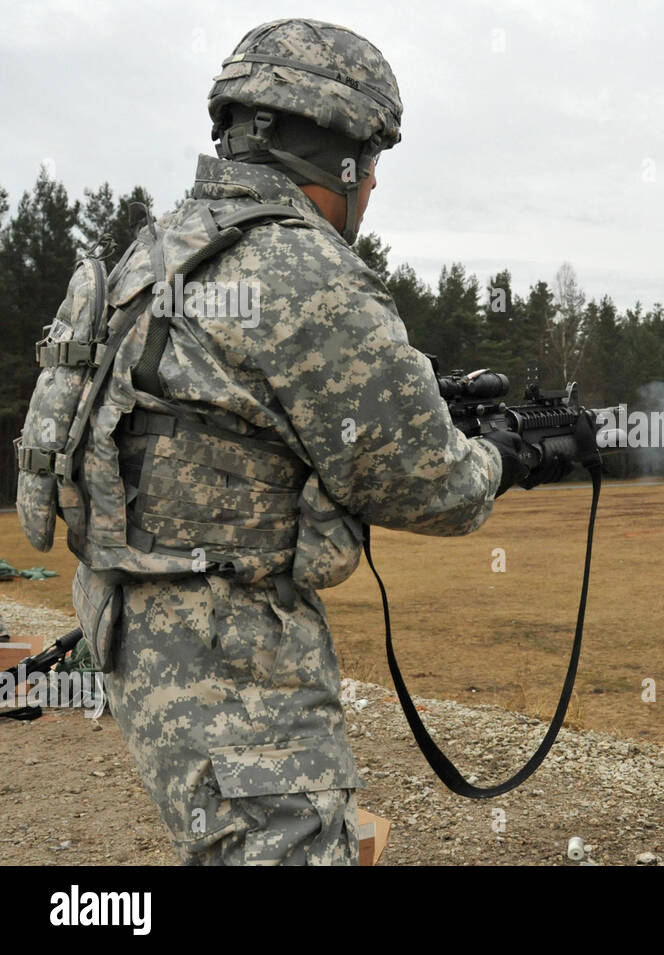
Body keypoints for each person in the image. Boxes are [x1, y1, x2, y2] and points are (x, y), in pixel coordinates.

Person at [69, 18, 536, 865]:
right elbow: (436, 486)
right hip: (228, 654)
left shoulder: (160, 251)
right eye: (373, 162)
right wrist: (507, 453)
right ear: (334, 152)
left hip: (136, 625)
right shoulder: (303, 270)